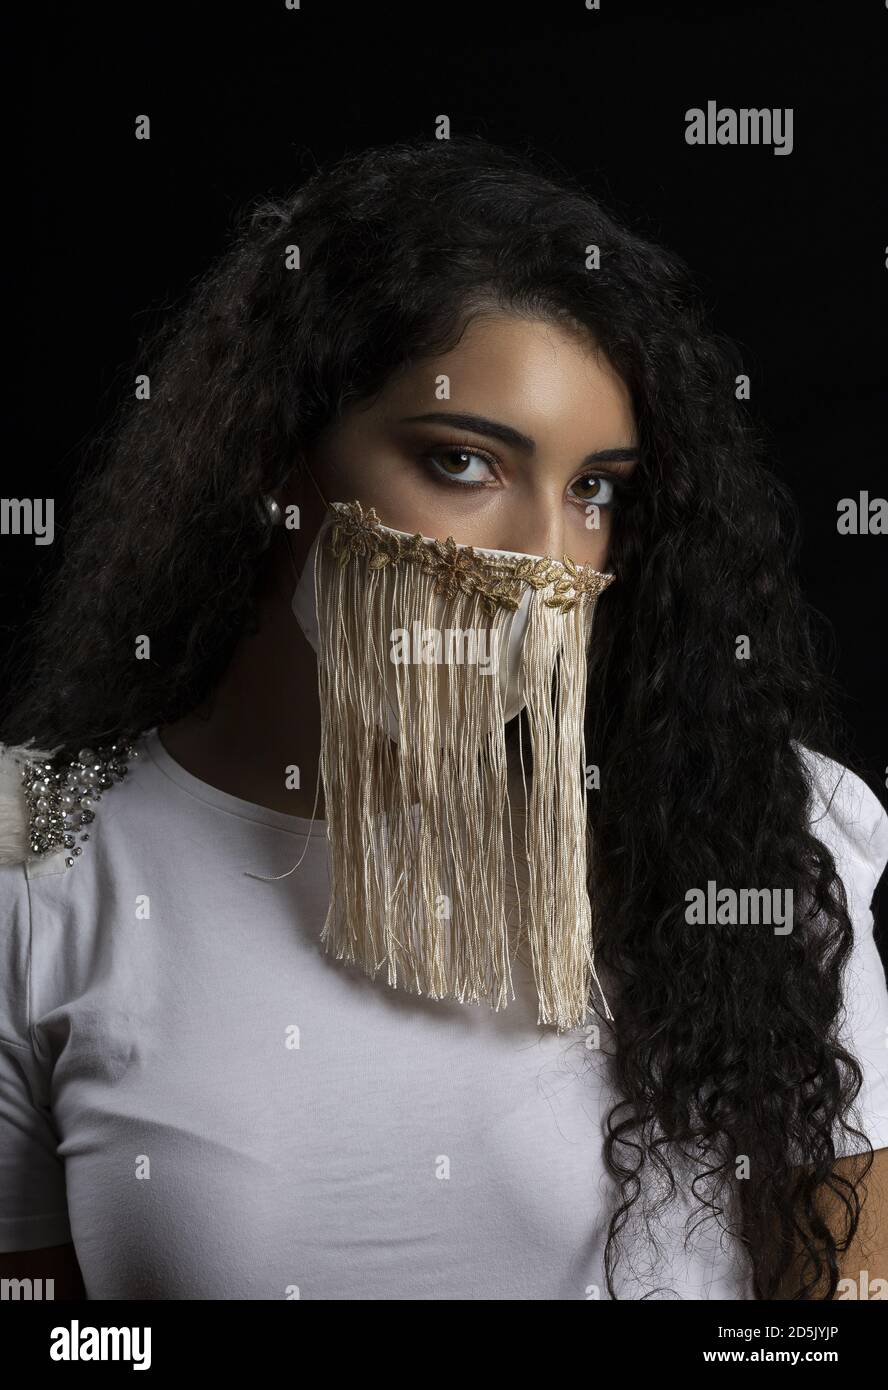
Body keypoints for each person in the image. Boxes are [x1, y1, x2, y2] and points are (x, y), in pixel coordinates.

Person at [1, 137, 886, 1301]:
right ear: (277, 462)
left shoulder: (757, 823)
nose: (544, 565)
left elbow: (841, 1302)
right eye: (463, 463)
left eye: (595, 490)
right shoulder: (40, 863)